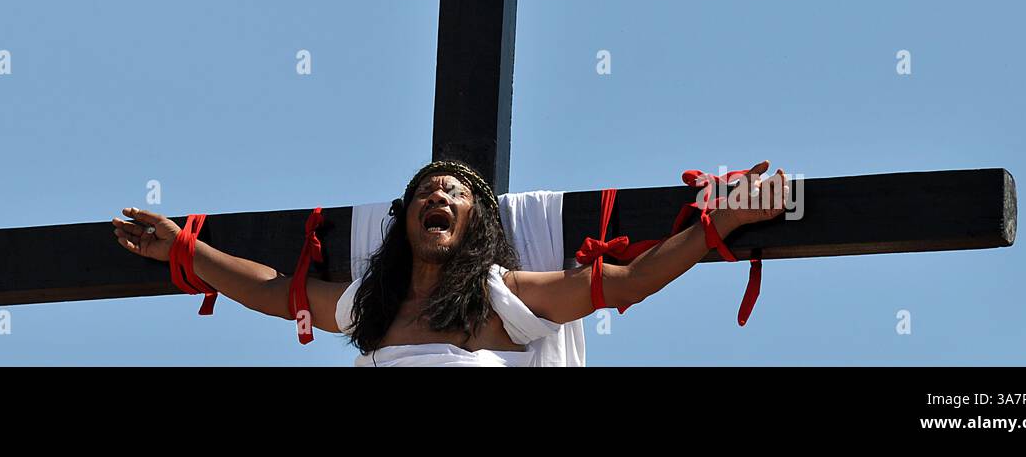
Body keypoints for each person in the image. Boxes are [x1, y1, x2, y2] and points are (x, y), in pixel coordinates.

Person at [112, 158, 788, 366]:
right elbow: (273, 290)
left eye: (456, 195)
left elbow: (628, 281)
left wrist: (719, 221)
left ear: (474, 227)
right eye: (427, 193)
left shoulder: (501, 298)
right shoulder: (371, 307)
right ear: (405, 222)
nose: (440, 195)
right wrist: (186, 249)